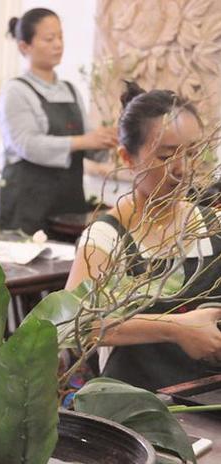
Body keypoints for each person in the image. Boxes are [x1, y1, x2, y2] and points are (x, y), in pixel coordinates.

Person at [66, 81, 221, 391]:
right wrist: (175, 329)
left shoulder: (210, 224)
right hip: (138, 406)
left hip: (207, 396)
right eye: (166, 157)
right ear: (127, 157)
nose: (183, 169)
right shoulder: (106, 237)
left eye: (193, 154)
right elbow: (78, 325)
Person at [0, 8, 118, 235]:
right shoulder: (16, 91)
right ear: (24, 46)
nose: (58, 44)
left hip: (67, 206)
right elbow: (28, 145)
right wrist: (83, 141)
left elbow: (87, 142)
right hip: (26, 206)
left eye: (60, 37)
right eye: (49, 39)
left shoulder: (70, 90)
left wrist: (105, 141)